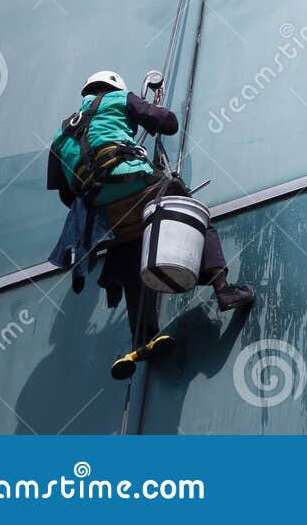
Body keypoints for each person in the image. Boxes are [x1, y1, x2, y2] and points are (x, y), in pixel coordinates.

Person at [46, 70, 255, 381]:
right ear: (114, 87)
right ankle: (224, 290)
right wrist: (146, 110)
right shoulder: (119, 99)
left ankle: (142, 336)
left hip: (99, 207)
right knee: (192, 212)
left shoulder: (61, 134)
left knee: (130, 252)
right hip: (132, 182)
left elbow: (65, 193)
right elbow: (168, 123)